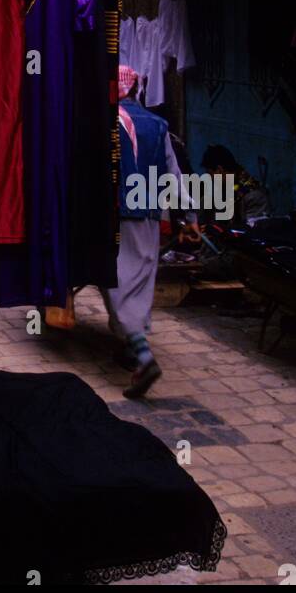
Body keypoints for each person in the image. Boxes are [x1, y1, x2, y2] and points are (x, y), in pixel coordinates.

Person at [102, 66, 177, 399]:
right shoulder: (159, 125)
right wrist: (188, 217)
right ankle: (130, 346)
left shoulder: (103, 121)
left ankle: (142, 354)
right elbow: (173, 174)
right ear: (135, 89)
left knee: (116, 281)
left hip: (115, 214)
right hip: (149, 213)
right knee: (141, 280)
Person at [201, 144, 272, 227]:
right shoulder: (225, 189)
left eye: (210, 174)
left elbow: (253, 233)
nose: (210, 179)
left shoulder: (253, 196)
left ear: (219, 170)